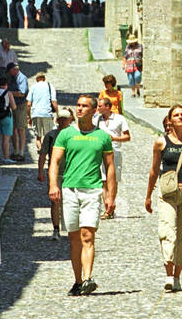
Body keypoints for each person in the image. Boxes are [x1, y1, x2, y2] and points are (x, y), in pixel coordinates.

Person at [49, 95, 116, 296]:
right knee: (74, 238)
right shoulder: (65, 134)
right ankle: (78, 281)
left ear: (94, 110)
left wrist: (110, 196)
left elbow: (110, 167)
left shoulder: (102, 137)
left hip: (92, 190)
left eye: (84, 106)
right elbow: (54, 161)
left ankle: (88, 278)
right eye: (78, 106)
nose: (79, 109)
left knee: (88, 234)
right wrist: (53, 185)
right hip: (70, 189)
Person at [146, 105, 182, 293]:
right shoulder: (160, 142)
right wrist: (148, 196)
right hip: (167, 194)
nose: (180, 117)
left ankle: (177, 277)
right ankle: (169, 275)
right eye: (176, 115)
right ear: (170, 120)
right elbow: (154, 170)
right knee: (167, 232)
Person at [37, 107, 74, 238]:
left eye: (66, 118)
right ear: (57, 120)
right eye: (61, 118)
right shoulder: (51, 136)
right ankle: (56, 229)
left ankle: (71, 229)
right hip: (56, 173)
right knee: (55, 201)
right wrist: (40, 171)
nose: (63, 121)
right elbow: (43, 154)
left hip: (72, 173)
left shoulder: (75, 135)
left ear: (70, 119)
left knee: (72, 202)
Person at [93, 96, 131, 217]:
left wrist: (115, 138)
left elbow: (127, 136)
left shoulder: (119, 119)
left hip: (115, 151)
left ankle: (111, 203)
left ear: (108, 107)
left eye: (100, 106)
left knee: (113, 180)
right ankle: (107, 207)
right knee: (103, 180)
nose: (98, 108)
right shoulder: (96, 120)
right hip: (99, 152)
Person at [6, 62, 31, 162]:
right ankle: (16, 151)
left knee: (20, 129)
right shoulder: (12, 78)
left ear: (14, 70)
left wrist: (10, 93)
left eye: (10, 71)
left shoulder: (22, 78)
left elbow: (22, 93)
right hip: (13, 105)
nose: (9, 73)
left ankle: (21, 151)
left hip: (20, 106)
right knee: (13, 129)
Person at [0, 75, 15, 163]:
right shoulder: (8, 93)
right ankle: (6, 157)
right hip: (6, 116)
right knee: (6, 139)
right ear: (6, 84)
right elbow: (13, 106)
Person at [29, 71, 55, 144]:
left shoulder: (33, 87)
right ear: (44, 78)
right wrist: (58, 113)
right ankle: (46, 153)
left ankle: (40, 151)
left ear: (37, 79)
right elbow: (53, 101)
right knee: (48, 136)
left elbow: (28, 104)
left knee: (38, 137)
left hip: (36, 114)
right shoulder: (49, 86)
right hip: (46, 113)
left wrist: (29, 116)